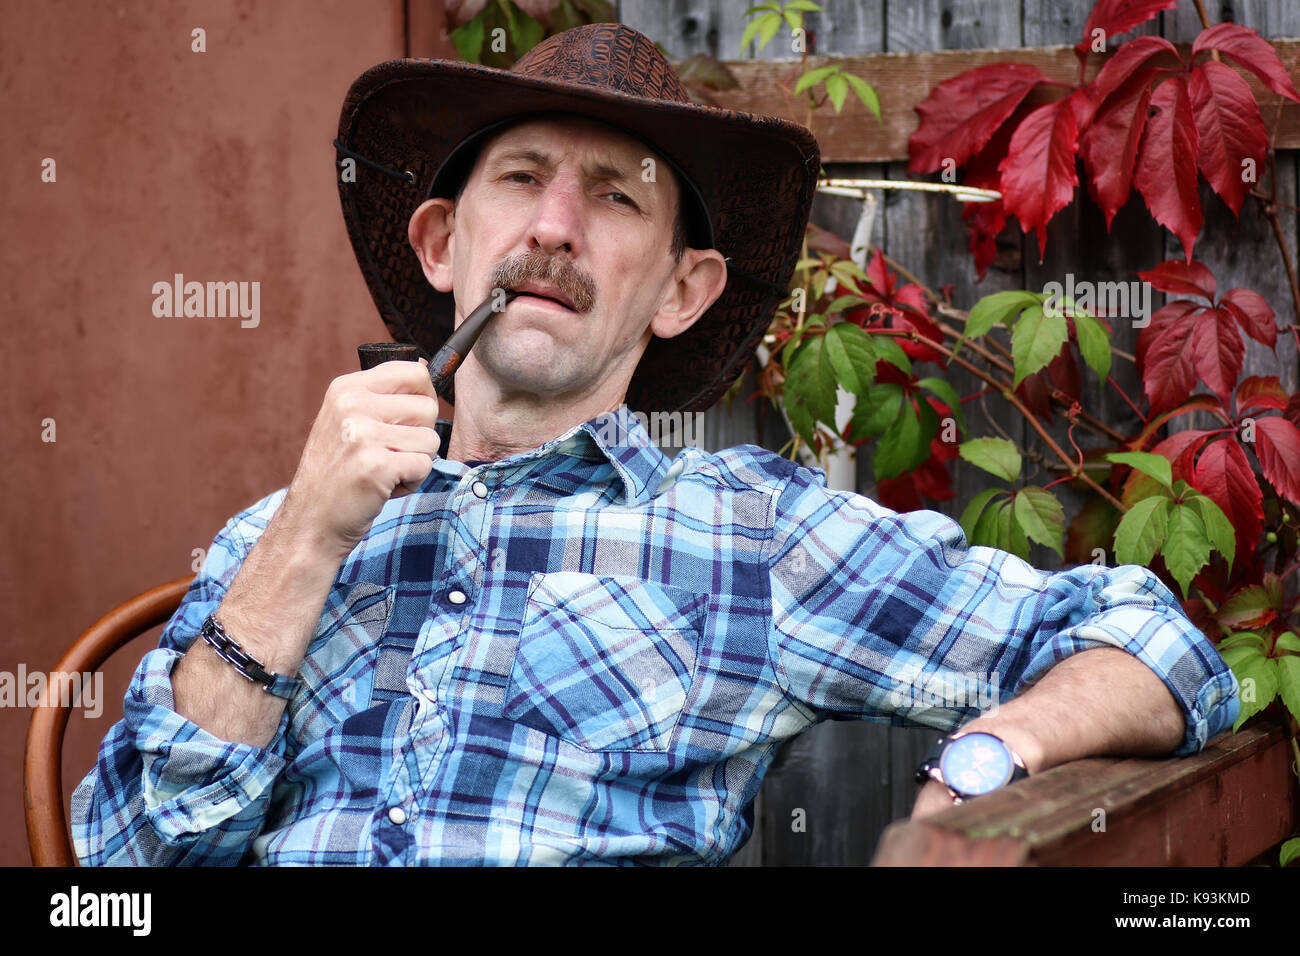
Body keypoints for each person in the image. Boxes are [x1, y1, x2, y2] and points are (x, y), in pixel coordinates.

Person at [72, 23, 1238, 866]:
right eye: (519, 178)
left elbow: (1153, 646)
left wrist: (986, 761)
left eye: (616, 198)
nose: (552, 228)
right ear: (442, 244)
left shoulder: (752, 532)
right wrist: (303, 542)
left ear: (681, 289)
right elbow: (117, 875)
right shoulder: (279, 535)